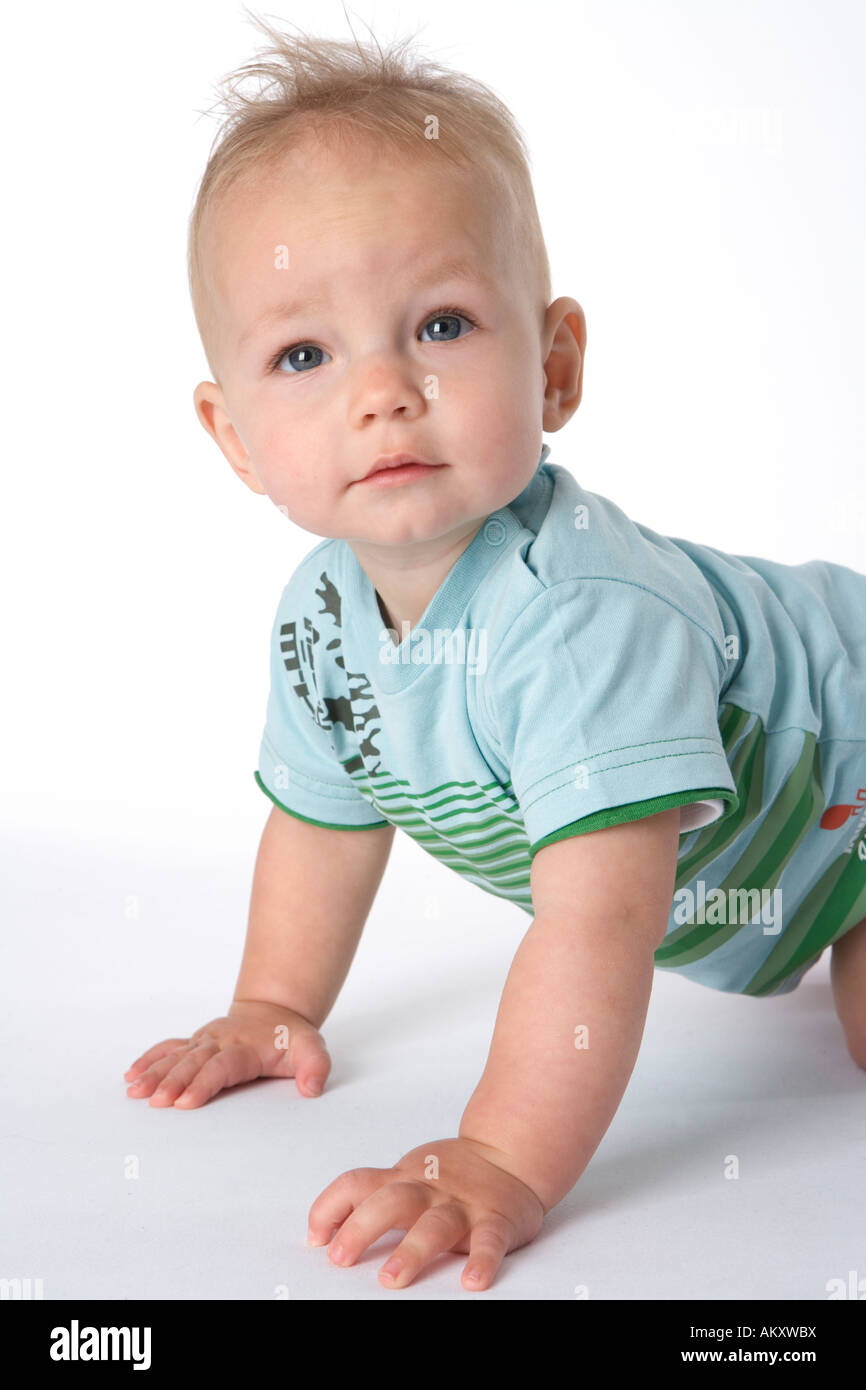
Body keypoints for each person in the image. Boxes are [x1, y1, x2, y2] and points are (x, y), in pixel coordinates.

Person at [125, 15, 866, 1291]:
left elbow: (598, 924)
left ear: (555, 364)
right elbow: (323, 820)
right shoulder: (320, 619)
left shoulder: (577, 618)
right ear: (235, 439)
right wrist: (272, 1005)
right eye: (303, 353)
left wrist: (497, 1158)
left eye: (443, 324)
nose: (382, 390)